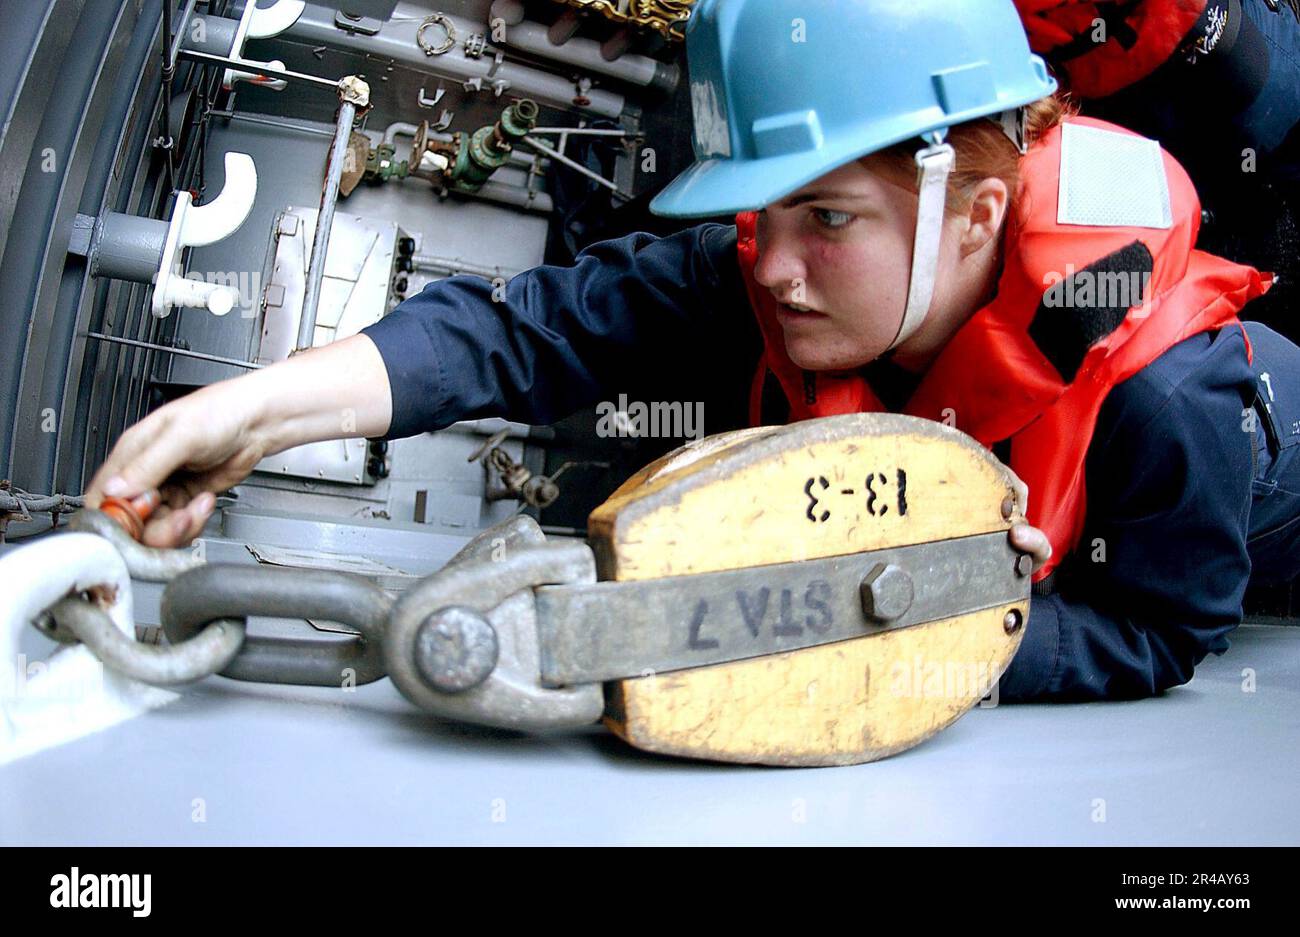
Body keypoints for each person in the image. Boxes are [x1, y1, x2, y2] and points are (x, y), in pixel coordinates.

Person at [84, 0, 1300, 702]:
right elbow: (526, 329)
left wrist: (923, 622)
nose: (772, 265)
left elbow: (1162, 629)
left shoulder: (1165, 396)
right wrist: (257, 412)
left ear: (973, 214)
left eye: (826, 219)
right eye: (763, 216)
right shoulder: (777, 276)